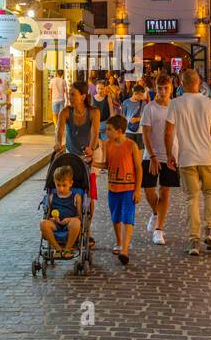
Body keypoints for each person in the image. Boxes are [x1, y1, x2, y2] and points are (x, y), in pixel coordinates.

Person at [165, 68, 211, 256]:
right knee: (210, 193)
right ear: (199, 83)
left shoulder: (175, 104)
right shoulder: (210, 104)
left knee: (192, 198)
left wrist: (169, 155)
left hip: (187, 157)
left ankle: (194, 240)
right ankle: (210, 231)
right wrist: (208, 148)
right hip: (207, 157)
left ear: (181, 84)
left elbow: (168, 132)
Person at [54, 81, 101, 246]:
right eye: (69, 94)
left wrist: (91, 148)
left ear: (83, 96)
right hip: (71, 157)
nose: (70, 97)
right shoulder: (65, 112)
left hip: (89, 157)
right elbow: (59, 131)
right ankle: (71, 226)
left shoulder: (93, 112)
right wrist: (58, 144)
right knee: (72, 191)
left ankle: (87, 231)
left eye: (73, 94)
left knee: (89, 195)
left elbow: (95, 132)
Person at [140, 73, 180, 244]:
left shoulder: (176, 107)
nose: (163, 91)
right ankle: (156, 213)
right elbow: (146, 134)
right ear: (155, 88)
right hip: (151, 155)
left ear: (171, 88)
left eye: (166, 88)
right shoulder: (150, 108)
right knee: (148, 190)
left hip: (171, 155)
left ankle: (159, 229)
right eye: (160, 88)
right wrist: (153, 156)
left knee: (165, 191)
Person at [103, 114, 143, 265]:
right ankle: (119, 242)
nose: (107, 132)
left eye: (109, 130)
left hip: (128, 187)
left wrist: (137, 189)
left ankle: (125, 249)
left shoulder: (131, 145)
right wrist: (93, 162)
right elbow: (107, 165)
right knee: (115, 217)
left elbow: (138, 169)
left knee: (127, 217)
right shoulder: (108, 145)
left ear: (119, 131)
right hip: (113, 187)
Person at [40, 164, 83, 258]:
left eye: (64, 185)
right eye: (58, 185)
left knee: (76, 222)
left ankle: (67, 249)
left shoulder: (76, 196)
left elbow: (79, 216)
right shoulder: (52, 197)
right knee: (43, 223)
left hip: (69, 224)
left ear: (71, 183)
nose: (61, 188)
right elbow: (48, 217)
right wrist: (53, 219)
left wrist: (69, 219)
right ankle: (57, 249)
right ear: (54, 183)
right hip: (56, 224)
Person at [120, 81, 147, 151]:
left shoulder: (143, 103)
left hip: (139, 130)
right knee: (128, 150)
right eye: (141, 95)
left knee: (139, 150)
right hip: (128, 130)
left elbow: (146, 117)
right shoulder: (126, 103)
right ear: (135, 94)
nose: (142, 97)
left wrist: (138, 119)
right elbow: (122, 117)